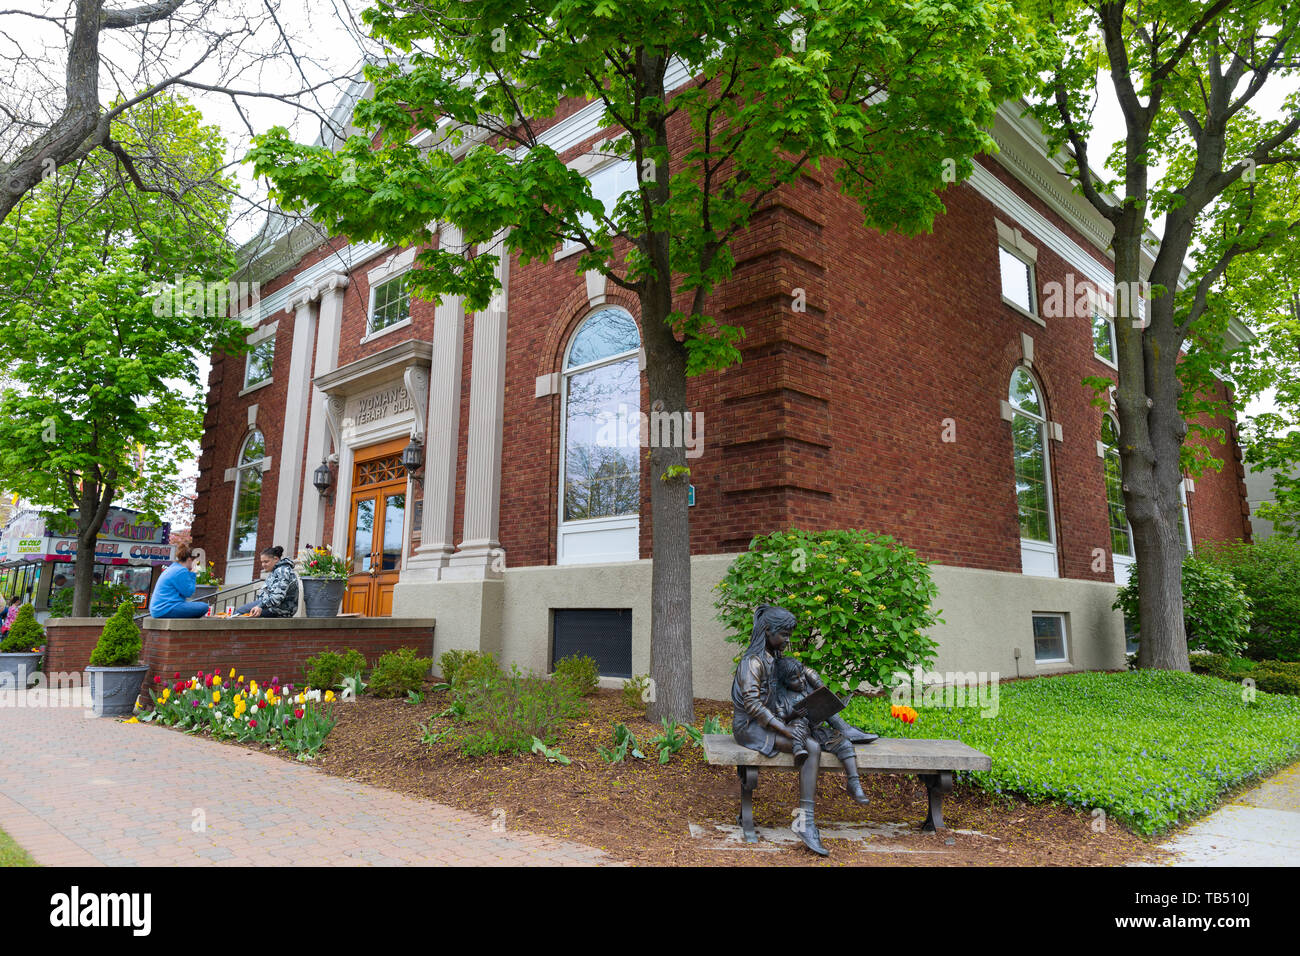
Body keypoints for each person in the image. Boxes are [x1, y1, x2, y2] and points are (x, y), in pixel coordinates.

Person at [731, 603, 876, 856]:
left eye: (789, 635)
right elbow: (752, 705)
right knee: (810, 746)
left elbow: (796, 668)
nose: (788, 640)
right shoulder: (752, 663)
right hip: (752, 728)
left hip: (777, 718)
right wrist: (786, 730)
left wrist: (811, 679)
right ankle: (806, 822)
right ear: (767, 631)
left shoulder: (773, 658)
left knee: (812, 712)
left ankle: (843, 731)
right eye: (784, 635)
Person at [233, 546, 299, 618]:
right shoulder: (276, 571)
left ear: (276, 559)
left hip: (281, 610)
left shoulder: (282, 571)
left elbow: (277, 597)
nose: (263, 565)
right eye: (262, 562)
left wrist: (260, 606)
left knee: (239, 613)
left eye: (266, 561)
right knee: (242, 613)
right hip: (273, 607)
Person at [149, 545, 210, 619]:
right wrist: (193, 573)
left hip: (159, 609)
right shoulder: (181, 571)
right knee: (204, 606)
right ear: (190, 560)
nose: (196, 565)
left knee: (196, 606)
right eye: (195, 562)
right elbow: (188, 592)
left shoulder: (173, 568)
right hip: (166, 609)